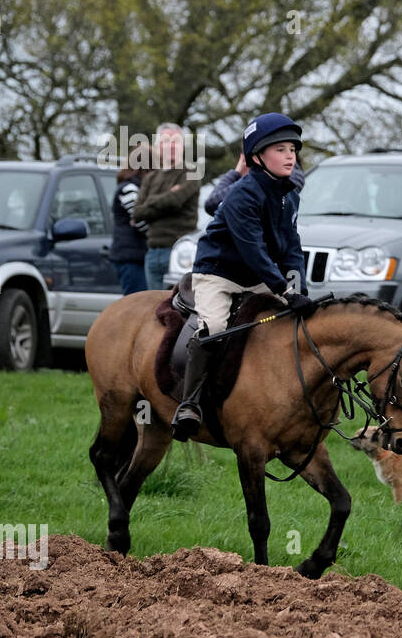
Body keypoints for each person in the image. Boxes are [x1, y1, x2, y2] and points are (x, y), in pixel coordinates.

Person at [172, 113, 314, 440]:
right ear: (256, 157)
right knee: (216, 329)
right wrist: (284, 288)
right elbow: (252, 250)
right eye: (280, 149)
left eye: (292, 148)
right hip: (218, 274)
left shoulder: (290, 193)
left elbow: (292, 246)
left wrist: (299, 289)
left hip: (258, 275)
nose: (290, 155)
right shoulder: (241, 195)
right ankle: (189, 404)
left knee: (301, 319)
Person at [133, 123, 202, 290]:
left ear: (183, 146)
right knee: (152, 310)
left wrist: (150, 201)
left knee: (178, 309)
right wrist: (167, 196)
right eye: (165, 141)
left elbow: (175, 201)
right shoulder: (150, 178)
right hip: (152, 253)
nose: (171, 146)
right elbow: (137, 212)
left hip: (180, 253)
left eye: (175, 141)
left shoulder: (191, 173)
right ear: (157, 146)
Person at [205, 151, 305, 215]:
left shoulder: (279, 182)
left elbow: (212, 204)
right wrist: (236, 173)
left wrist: (237, 173)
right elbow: (212, 204)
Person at [108, 145, 150, 295]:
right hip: (130, 257)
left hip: (133, 255)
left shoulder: (132, 187)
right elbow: (140, 221)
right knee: (137, 302)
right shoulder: (129, 189)